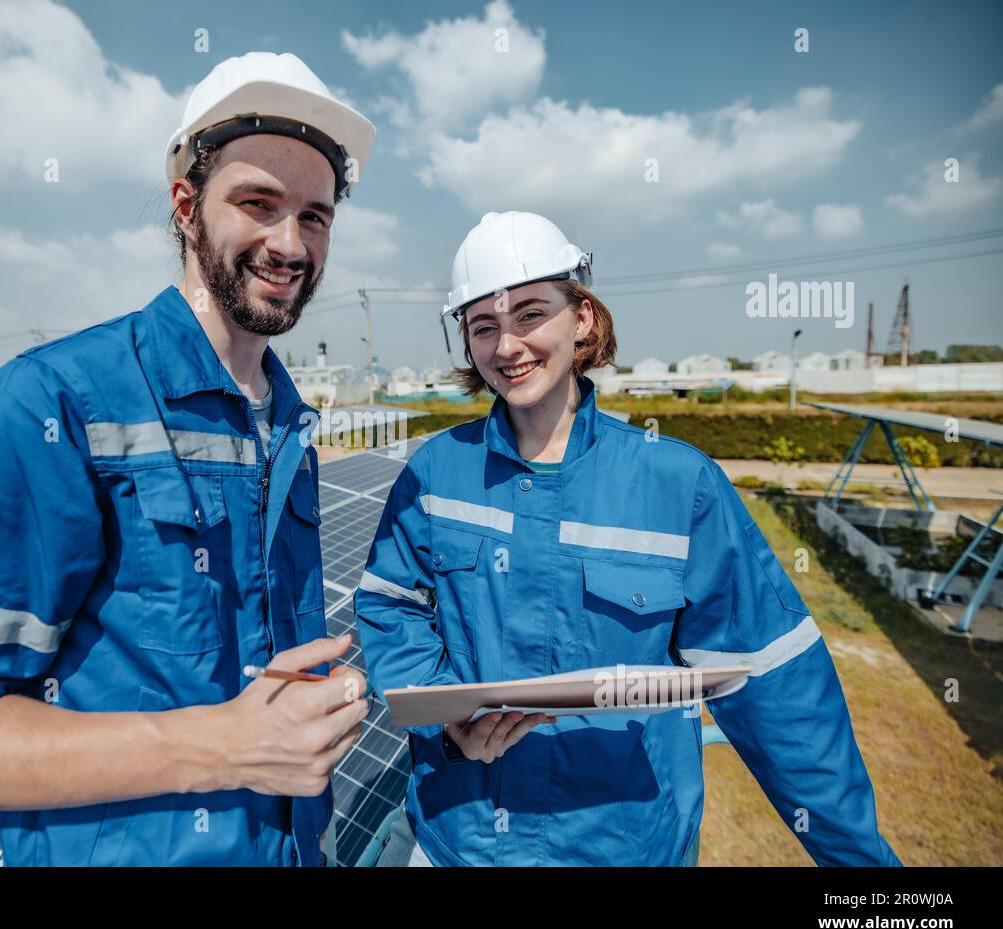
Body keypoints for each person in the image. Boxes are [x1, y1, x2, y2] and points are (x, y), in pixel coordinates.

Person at [0, 51, 376, 866]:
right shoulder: (52, 404)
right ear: (187, 206)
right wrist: (223, 744)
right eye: (257, 203)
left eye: (315, 214)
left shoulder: (291, 422)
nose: (289, 243)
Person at [356, 211, 900, 867]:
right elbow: (388, 604)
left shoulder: (679, 485)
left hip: (623, 848)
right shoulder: (435, 475)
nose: (507, 345)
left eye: (530, 313)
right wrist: (448, 716)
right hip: (462, 843)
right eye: (484, 326)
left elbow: (778, 685)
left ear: (581, 316)